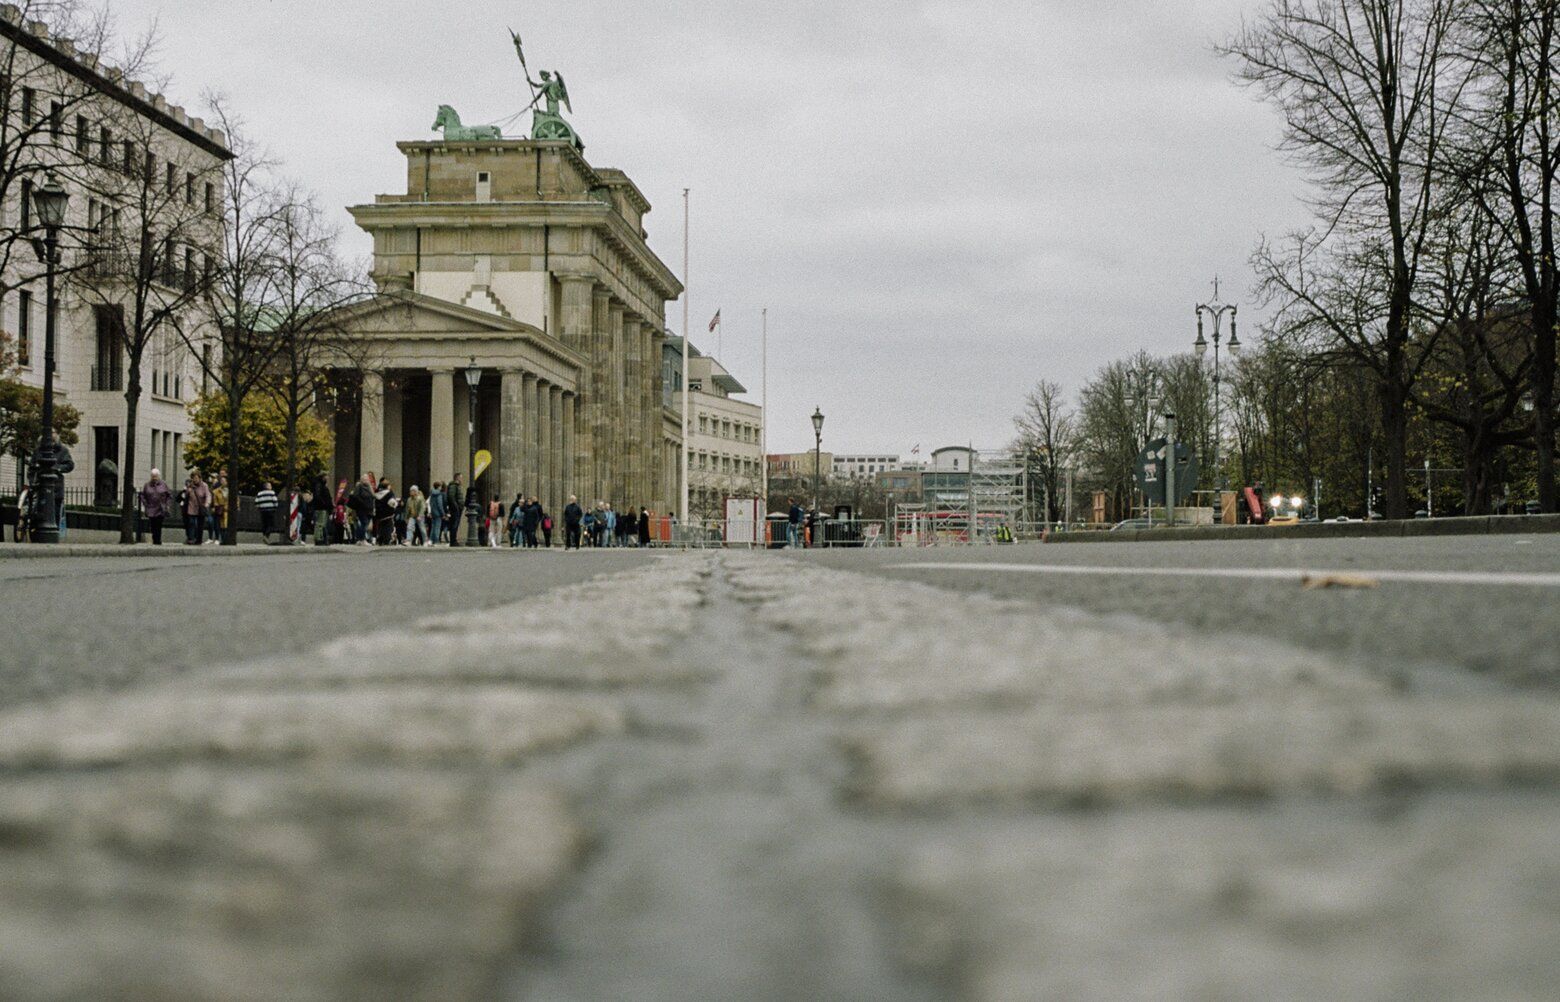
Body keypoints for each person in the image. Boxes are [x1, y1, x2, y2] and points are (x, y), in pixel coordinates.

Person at [138, 469, 173, 545]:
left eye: (156, 476)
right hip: (151, 508)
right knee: (153, 525)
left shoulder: (163, 484)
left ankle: (158, 540)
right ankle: (155, 539)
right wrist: (145, 503)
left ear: (158, 476)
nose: (154, 478)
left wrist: (167, 504)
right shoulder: (147, 485)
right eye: (153, 476)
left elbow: (169, 495)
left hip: (161, 508)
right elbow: (143, 495)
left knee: (158, 524)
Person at [184, 471, 211, 545]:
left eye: (196, 478)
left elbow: (208, 495)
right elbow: (186, 496)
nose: (195, 479)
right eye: (193, 478)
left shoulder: (204, 485)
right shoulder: (190, 486)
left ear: (200, 478)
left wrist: (207, 504)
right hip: (191, 506)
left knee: (200, 525)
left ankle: (199, 540)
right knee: (191, 523)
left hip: (200, 507)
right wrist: (188, 491)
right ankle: (191, 538)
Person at [373, 478, 399, 546]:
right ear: (387, 486)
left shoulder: (377, 494)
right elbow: (392, 503)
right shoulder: (389, 494)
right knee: (388, 527)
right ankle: (387, 540)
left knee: (381, 527)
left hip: (379, 514)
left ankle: (380, 540)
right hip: (388, 514)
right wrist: (396, 504)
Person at [351, 473, 375, 544]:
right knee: (364, 523)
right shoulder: (359, 486)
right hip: (362, 509)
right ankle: (363, 539)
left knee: (365, 524)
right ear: (361, 480)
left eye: (367, 479)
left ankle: (360, 539)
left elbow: (373, 496)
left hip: (369, 509)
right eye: (364, 479)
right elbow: (355, 496)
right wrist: (362, 502)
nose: (365, 480)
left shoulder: (369, 487)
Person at [446, 474, 464, 545]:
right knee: (454, 524)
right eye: (461, 478)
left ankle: (454, 540)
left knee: (455, 524)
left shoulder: (456, 486)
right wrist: (456, 507)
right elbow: (451, 497)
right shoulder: (453, 486)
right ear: (457, 478)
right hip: (455, 509)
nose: (462, 480)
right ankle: (453, 541)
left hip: (457, 508)